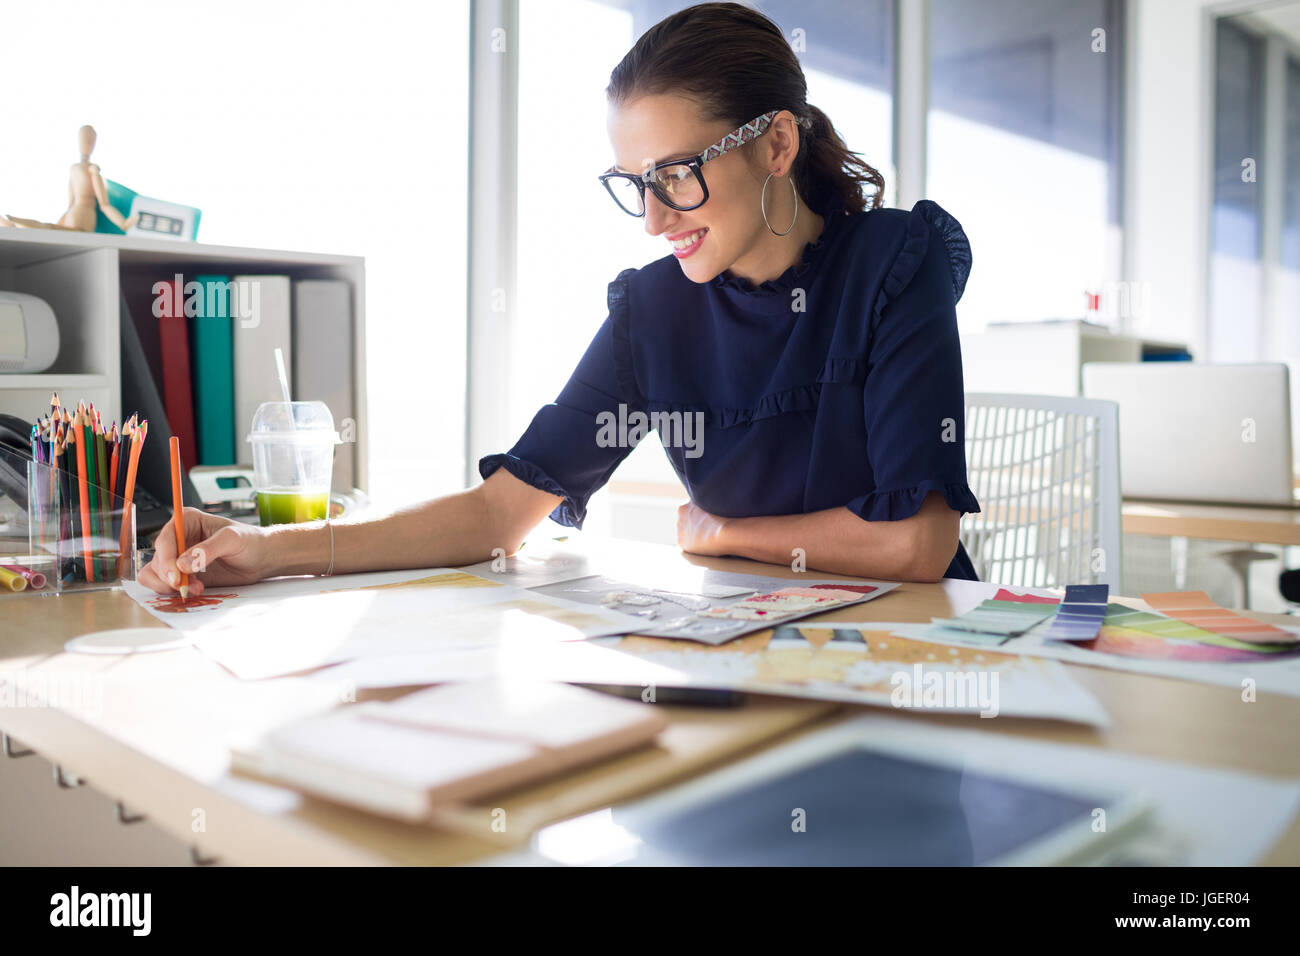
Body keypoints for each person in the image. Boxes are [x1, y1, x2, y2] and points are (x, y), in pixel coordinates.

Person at [140, 2, 980, 597]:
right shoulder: (656, 312)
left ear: (777, 144)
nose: (652, 219)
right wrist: (268, 547)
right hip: (758, 662)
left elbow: (916, 542)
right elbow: (499, 514)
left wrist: (727, 536)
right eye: (634, 185)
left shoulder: (895, 265)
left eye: (677, 176)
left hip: (908, 661)